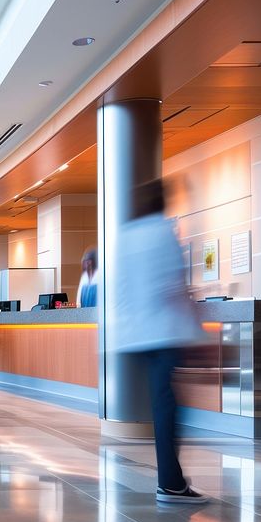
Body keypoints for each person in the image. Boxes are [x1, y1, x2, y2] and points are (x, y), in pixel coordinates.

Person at [112, 179, 208, 504]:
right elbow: (174, 284)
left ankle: (171, 479)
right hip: (163, 331)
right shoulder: (162, 232)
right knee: (167, 405)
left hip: (135, 334)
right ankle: (170, 482)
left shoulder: (124, 236)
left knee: (162, 402)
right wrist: (196, 326)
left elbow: (120, 288)